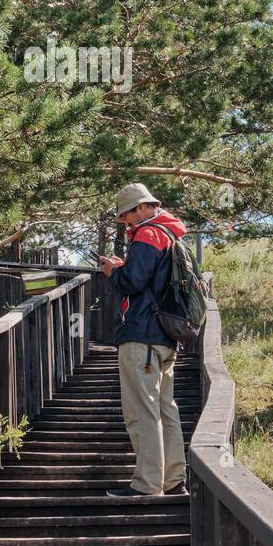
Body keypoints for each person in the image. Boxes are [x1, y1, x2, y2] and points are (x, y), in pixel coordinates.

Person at [98, 184, 188, 499]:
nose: (125, 223)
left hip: (142, 336)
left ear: (141, 208)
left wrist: (113, 272)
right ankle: (173, 481)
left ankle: (147, 484)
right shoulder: (171, 234)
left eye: (126, 216)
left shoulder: (148, 234)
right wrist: (125, 269)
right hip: (166, 337)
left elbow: (133, 282)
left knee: (141, 411)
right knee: (166, 409)